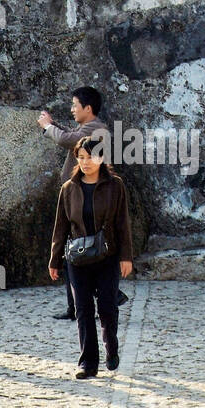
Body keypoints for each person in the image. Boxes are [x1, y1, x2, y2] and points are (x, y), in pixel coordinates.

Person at [48, 136, 134, 379]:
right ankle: (87, 362)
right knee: (83, 309)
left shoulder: (115, 186)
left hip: (107, 256)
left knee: (107, 307)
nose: (86, 162)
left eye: (91, 157)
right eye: (81, 157)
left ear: (102, 157)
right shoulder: (68, 189)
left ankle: (111, 348)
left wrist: (126, 256)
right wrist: (54, 260)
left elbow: (122, 224)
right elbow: (60, 227)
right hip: (77, 258)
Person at [38, 87, 109, 320]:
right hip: (78, 197)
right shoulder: (88, 128)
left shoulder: (96, 129)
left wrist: (49, 127)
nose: (72, 109)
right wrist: (53, 124)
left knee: (85, 250)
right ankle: (76, 306)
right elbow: (70, 134)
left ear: (88, 108)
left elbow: (67, 139)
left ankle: (95, 301)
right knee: (74, 251)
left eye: (75, 105)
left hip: (85, 198)